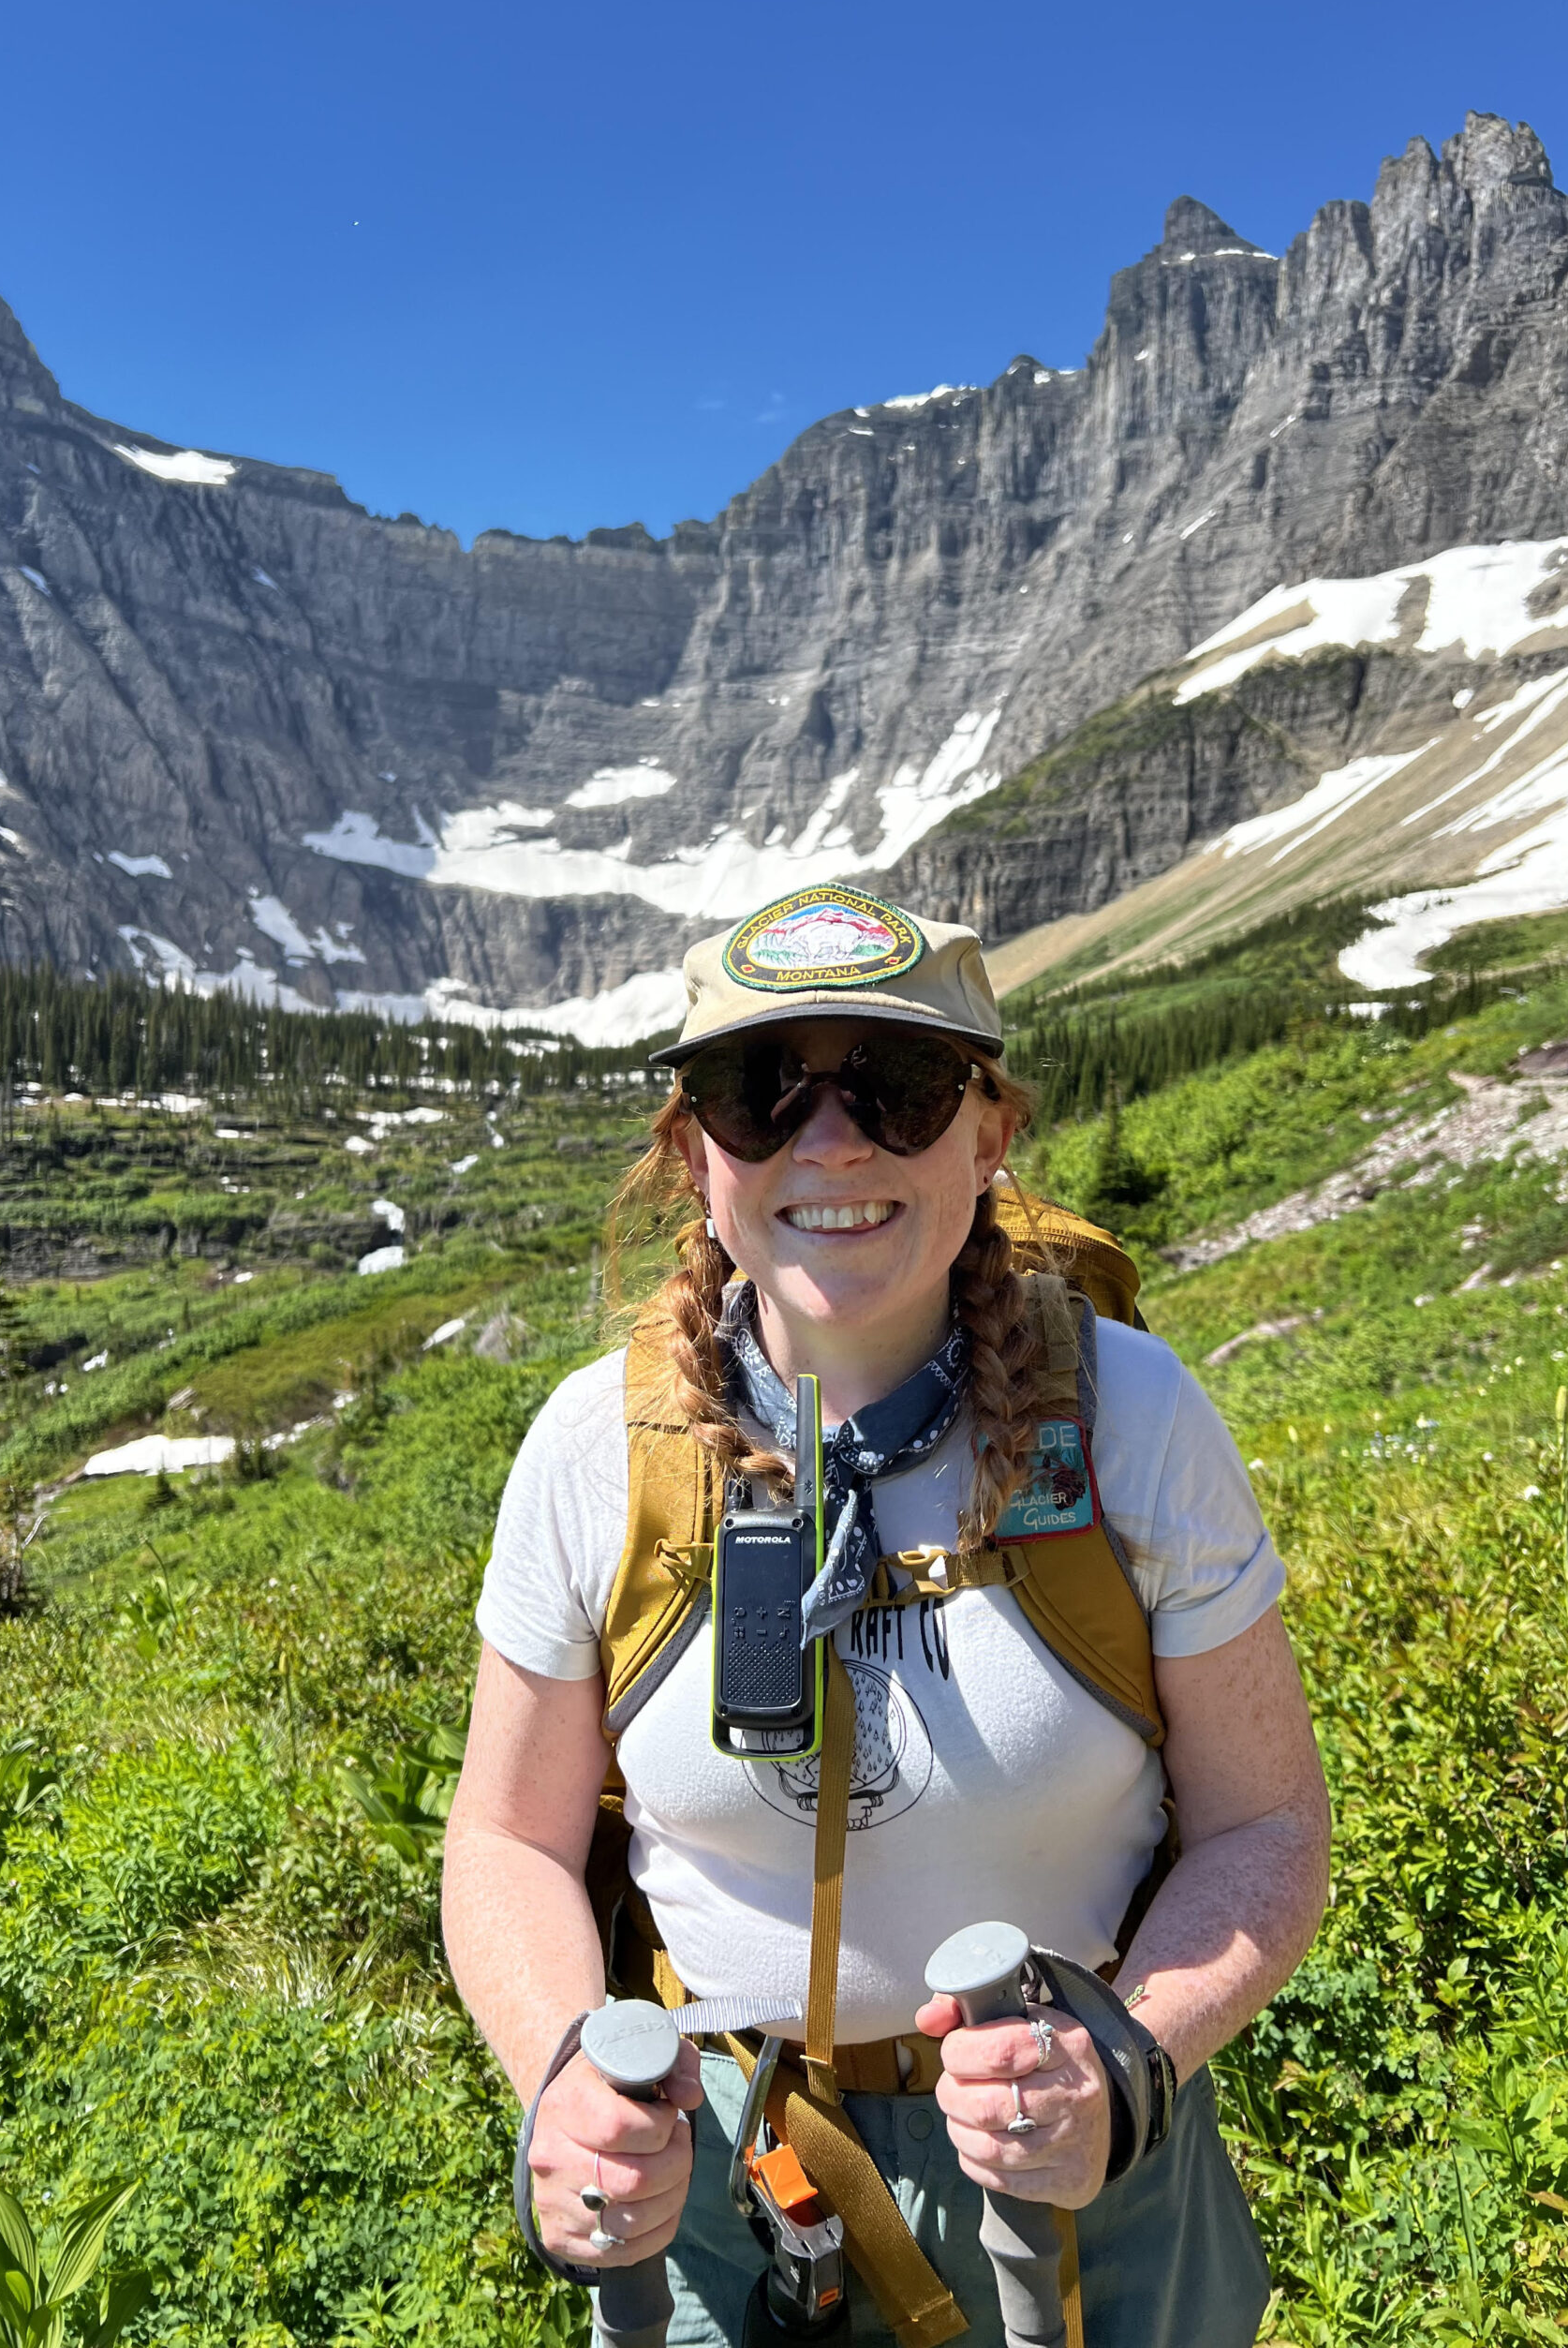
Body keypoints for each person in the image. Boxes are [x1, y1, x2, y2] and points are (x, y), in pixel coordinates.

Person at [443, 885, 1330, 2348]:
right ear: (698, 1153)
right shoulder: (593, 1451)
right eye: (758, 1090)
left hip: (1089, 2170)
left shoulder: (1131, 1418)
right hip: (724, 2176)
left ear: (987, 1136)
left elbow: (1268, 1827)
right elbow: (505, 1838)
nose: (831, 1140)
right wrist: (568, 2086)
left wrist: (1122, 2066)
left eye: (901, 1090)